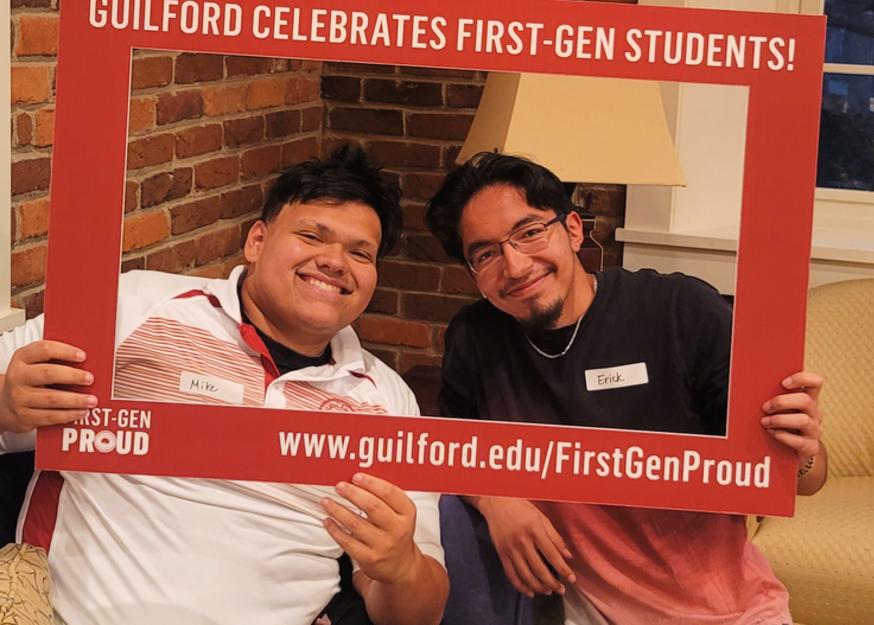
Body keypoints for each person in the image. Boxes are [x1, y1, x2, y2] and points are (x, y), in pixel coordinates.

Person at [0, 145, 448, 625]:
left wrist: (400, 569)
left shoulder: (386, 401)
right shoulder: (134, 306)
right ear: (256, 240)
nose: (335, 262)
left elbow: (418, 614)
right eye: (312, 236)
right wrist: (5, 403)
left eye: (361, 252)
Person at [423, 152, 827, 625]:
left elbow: (802, 482)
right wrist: (496, 500)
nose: (514, 265)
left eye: (530, 232)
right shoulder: (476, 337)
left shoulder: (679, 310)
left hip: (723, 611)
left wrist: (802, 452)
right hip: (579, 608)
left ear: (573, 229)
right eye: (486, 253)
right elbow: (452, 452)